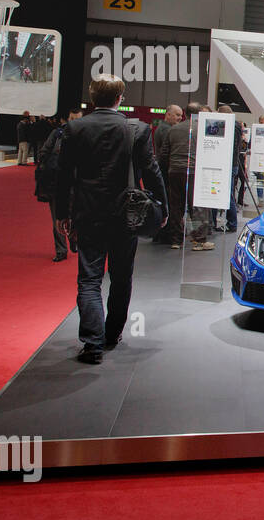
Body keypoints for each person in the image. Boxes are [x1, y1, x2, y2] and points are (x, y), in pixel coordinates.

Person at [54, 76, 168, 364]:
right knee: (120, 276)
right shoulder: (136, 129)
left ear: (93, 97)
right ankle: (112, 334)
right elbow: (151, 171)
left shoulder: (75, 128)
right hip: (126, 215)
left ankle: (92, 343)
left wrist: (61, 214)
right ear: (121, 97)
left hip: (88, 212)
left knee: (89, 278)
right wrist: (164, 209)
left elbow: (63, 174)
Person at [159, 102, 214, 251]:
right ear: (199, 114)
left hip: (175, 171)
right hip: (193, 172)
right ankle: (199, 241)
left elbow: (163, 154)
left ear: (185, 113)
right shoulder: (202, 130)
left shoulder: (173, 129)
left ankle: (176, 240)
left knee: (176, 207)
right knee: (197, 208)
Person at [36, 108, 82, 261]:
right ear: (67, 119)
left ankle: (74, 238)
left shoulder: (86, 135)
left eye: (77, 119)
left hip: (78, 185)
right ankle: (61, 250)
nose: (74, 122)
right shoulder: (57, 134)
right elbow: (43, 152)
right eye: (72, 119)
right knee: (57, 217)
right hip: (57, 183)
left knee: (76, 215)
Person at [152, 105, 183, 242]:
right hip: (165, 171)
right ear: (168, 115)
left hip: (164, 170)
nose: (179, 118)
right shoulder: (167, 130)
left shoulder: (164, 128)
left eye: (181, 115)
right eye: (176, 115)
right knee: (168, 204)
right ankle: (165, 234)